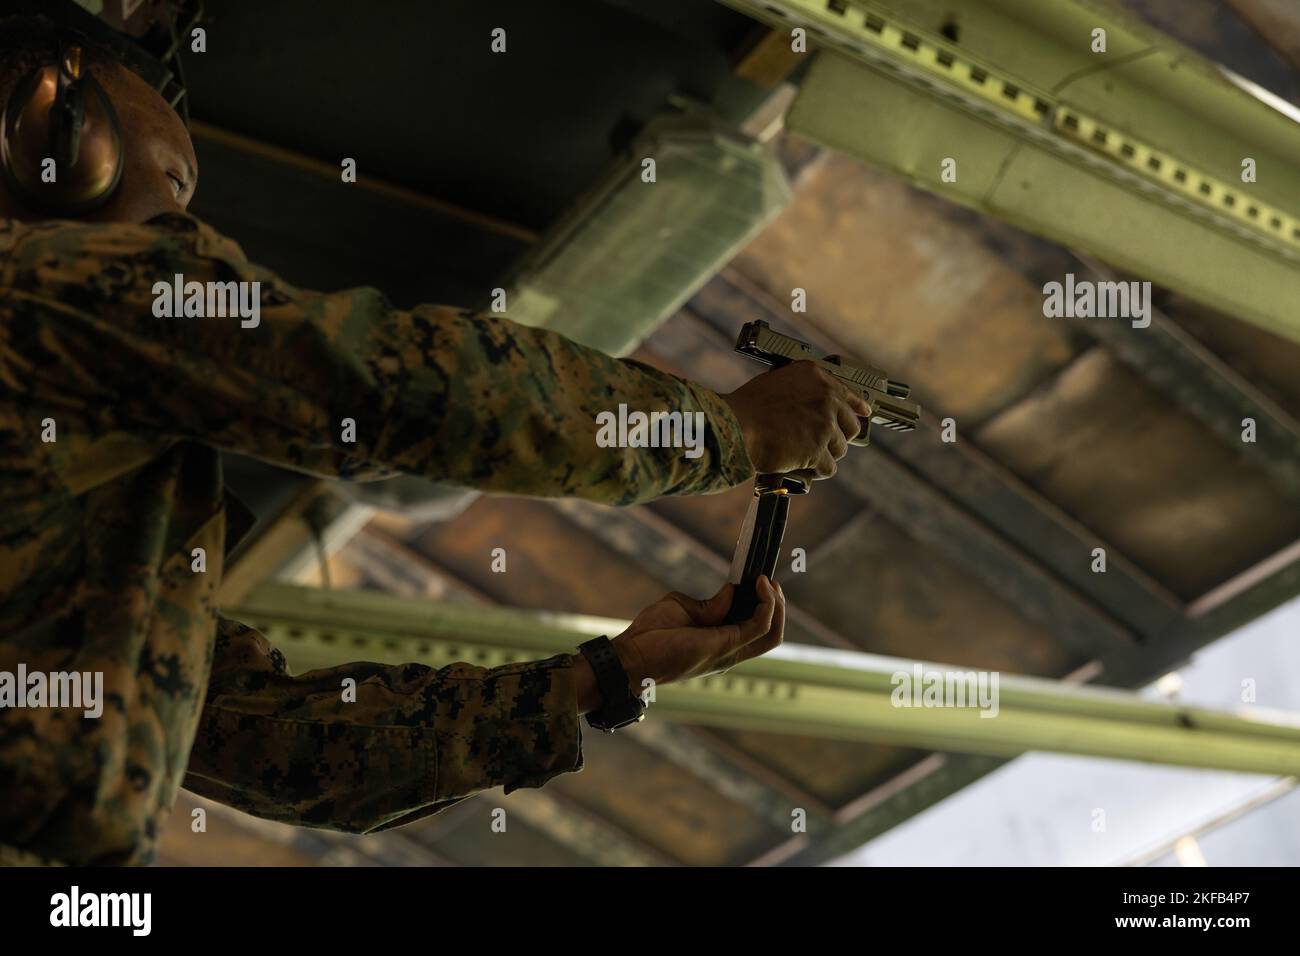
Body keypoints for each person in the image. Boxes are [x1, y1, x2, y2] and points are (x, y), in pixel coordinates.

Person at [0, 16, 871, 865]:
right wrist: (728, 429)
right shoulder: (34, 282)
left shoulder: (78, 515)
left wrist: (604, 676)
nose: (195, 234)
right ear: (47, 144)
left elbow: (281, 751)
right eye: (170, 183)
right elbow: (390, 385)